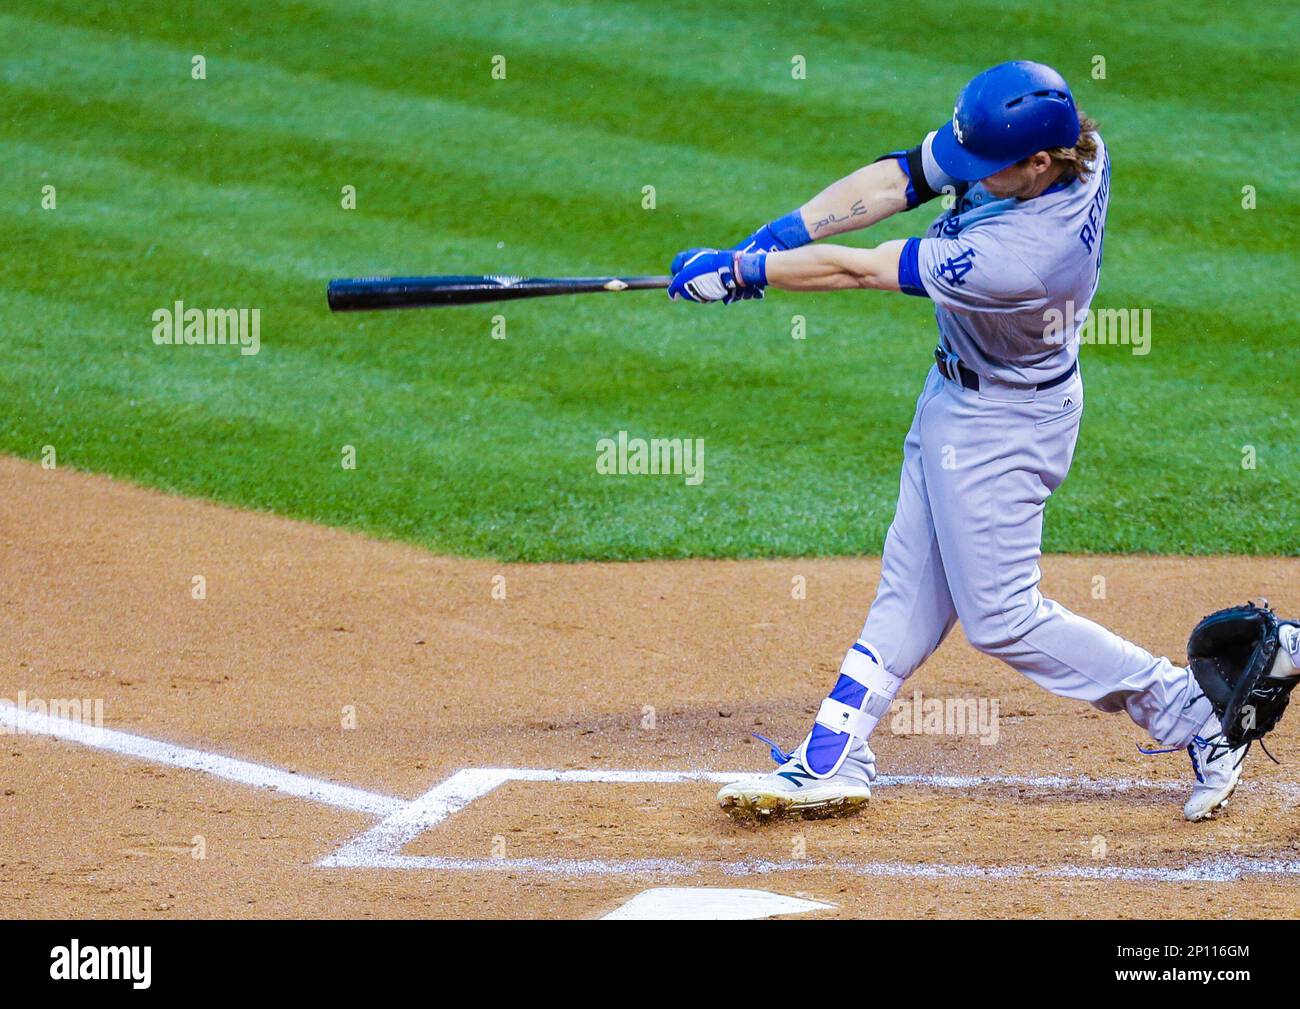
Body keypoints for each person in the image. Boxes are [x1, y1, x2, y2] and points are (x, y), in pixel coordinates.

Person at [667, 60, 1292, 823]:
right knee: (909, 586)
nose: (965, 176)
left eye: (985, 170)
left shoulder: (1024, 260)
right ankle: (836, 752)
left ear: (1037, 165)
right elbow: (897, 179)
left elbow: (862, 270)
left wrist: (745, 273)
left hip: (1004, 425)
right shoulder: (1064, 150)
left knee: (1000, 615)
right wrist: (765, 242)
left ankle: (1190, 710)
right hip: (959, 398)